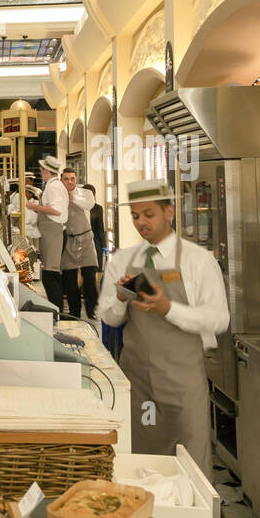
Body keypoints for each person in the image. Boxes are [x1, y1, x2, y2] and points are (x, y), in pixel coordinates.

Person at [98, 179, 229, 478]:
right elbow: (108, 318)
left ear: (169, 212)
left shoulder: (198, 260)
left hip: (183, 383)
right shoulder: (122, 260)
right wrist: (120, 298)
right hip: (138, 382)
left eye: (148, 214)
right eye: (134, 215)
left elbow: (218, 319)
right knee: (142, 464)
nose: (140, 222)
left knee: (191, 467)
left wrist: (168, 308)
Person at [27, 156, 68, 313]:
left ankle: (57, 311)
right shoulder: (53, 185)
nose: (40, 173)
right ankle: (56, 310)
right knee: (51, 274)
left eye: (41, 170)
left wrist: (34, 206)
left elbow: (56, 210)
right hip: (50, 231)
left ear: (45, 171)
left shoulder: (53, 187)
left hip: (52, 231)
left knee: (50, 274)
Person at [59, 169, 99, 320]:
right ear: (61, 180)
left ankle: (91, 309)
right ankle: (74, 311)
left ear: (76, 179)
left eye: (72, 179)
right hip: (70, 239)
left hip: (86, 238)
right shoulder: (59, 197)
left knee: (89, 274)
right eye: (66, 179)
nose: (69, 181)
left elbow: (88, 205)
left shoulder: (85, 193)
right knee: (69, 277)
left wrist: (71, 197)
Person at [86, 184, 107, 267]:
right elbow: (100, 229)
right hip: (96, 243)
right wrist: (104, 246)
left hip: (82, 244)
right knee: (95, 271)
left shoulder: (80, 208)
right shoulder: (98, 208)